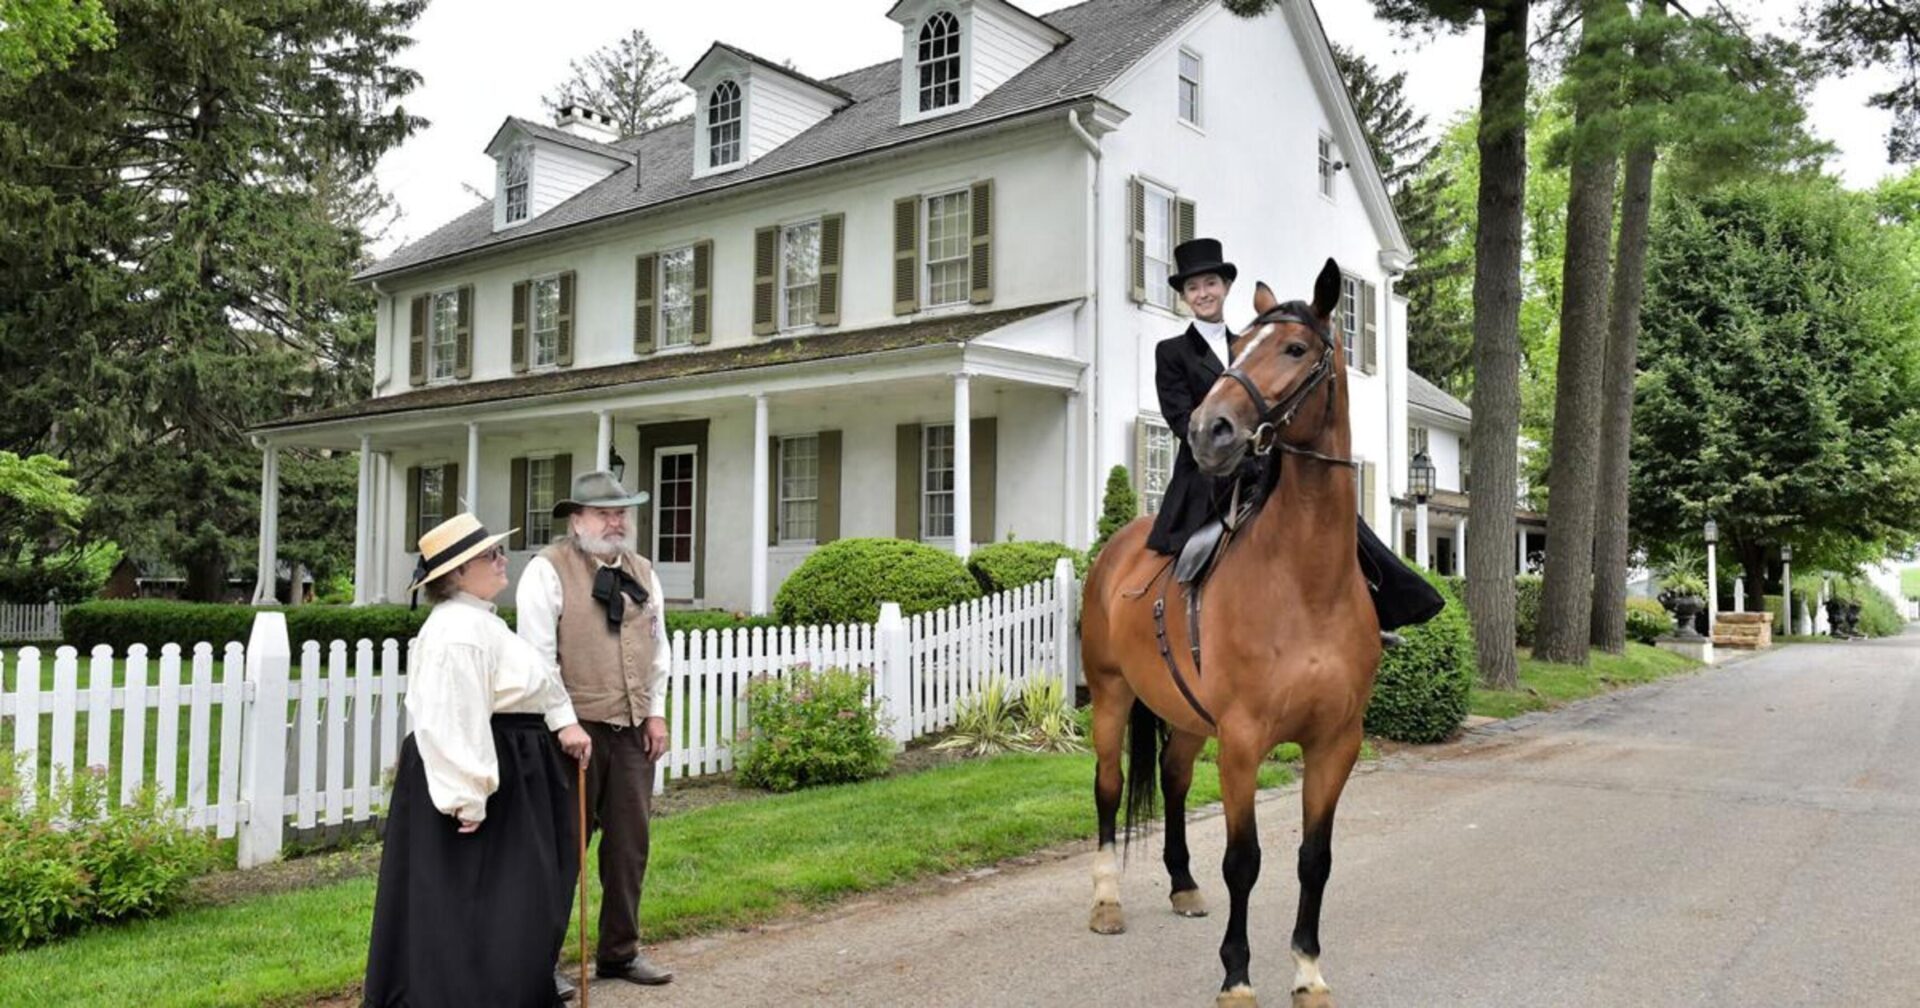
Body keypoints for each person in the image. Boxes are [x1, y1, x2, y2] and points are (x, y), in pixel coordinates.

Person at [1148, 238, 1443, 633]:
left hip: (1262, 465)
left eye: (1210, 284)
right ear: (1185, 296)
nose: (1203, 294)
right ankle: (1187, 624)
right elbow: (1182, 421)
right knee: (1194, 554)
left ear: (1225, 288)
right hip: (1208, 472)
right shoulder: (1172, 351)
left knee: (1337, 517)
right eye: (1193, 288)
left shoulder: (1252, 346)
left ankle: (1378, 608)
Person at [364, 513, 592, 1008]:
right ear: (458, 573)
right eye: (490, 555)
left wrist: (561, 725)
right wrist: (467, 796)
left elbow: (529, 687)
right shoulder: (457, 631)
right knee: (484, 900)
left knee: (507, 901)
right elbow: (452, 716)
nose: (501, 559)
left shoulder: (479, 621)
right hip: (487, 774)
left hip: (513, 765)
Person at [518, 470, 675, 992]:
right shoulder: (547, 571)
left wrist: (655, 712)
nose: (617, 521)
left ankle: (619, 953)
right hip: (574, 732)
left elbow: (659, 649)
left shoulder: (644, 571)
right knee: (563, 849)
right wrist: (563, 723)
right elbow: (538, 658)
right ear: (577, 518)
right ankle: (539, 963)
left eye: (623, 511)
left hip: (631, 729)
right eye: (605, 513)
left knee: (630, 848)